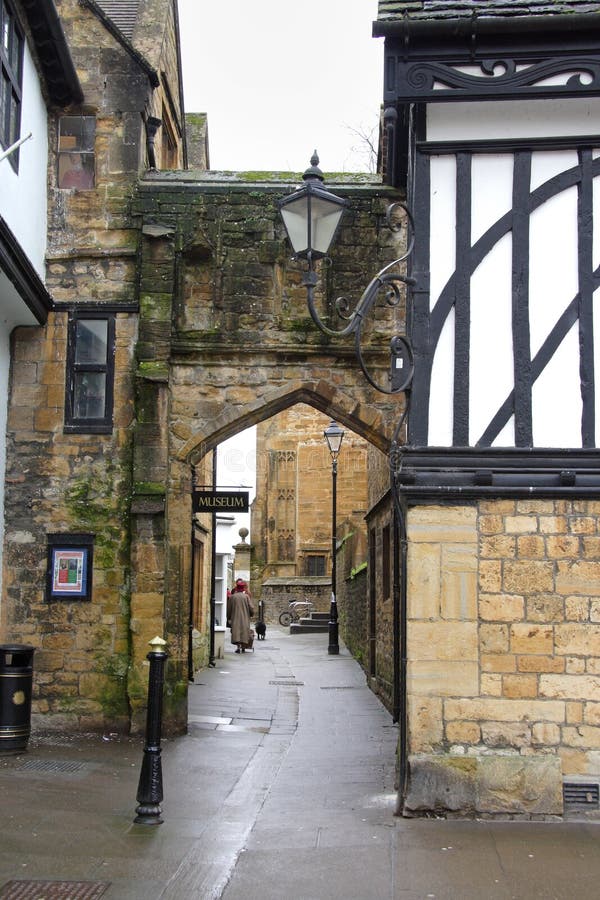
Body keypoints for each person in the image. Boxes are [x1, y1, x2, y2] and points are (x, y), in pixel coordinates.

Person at [228, 580, 254, 653]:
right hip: (245, 617)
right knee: (244, 632)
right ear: (243, 588)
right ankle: (243, 647)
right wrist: (251, 614)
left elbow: (229, 608)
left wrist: (229, 617)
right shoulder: (246, 597)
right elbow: (251, 607)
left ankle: (238, 647)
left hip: (235, 617)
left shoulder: (232, 597)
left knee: (236, 632)